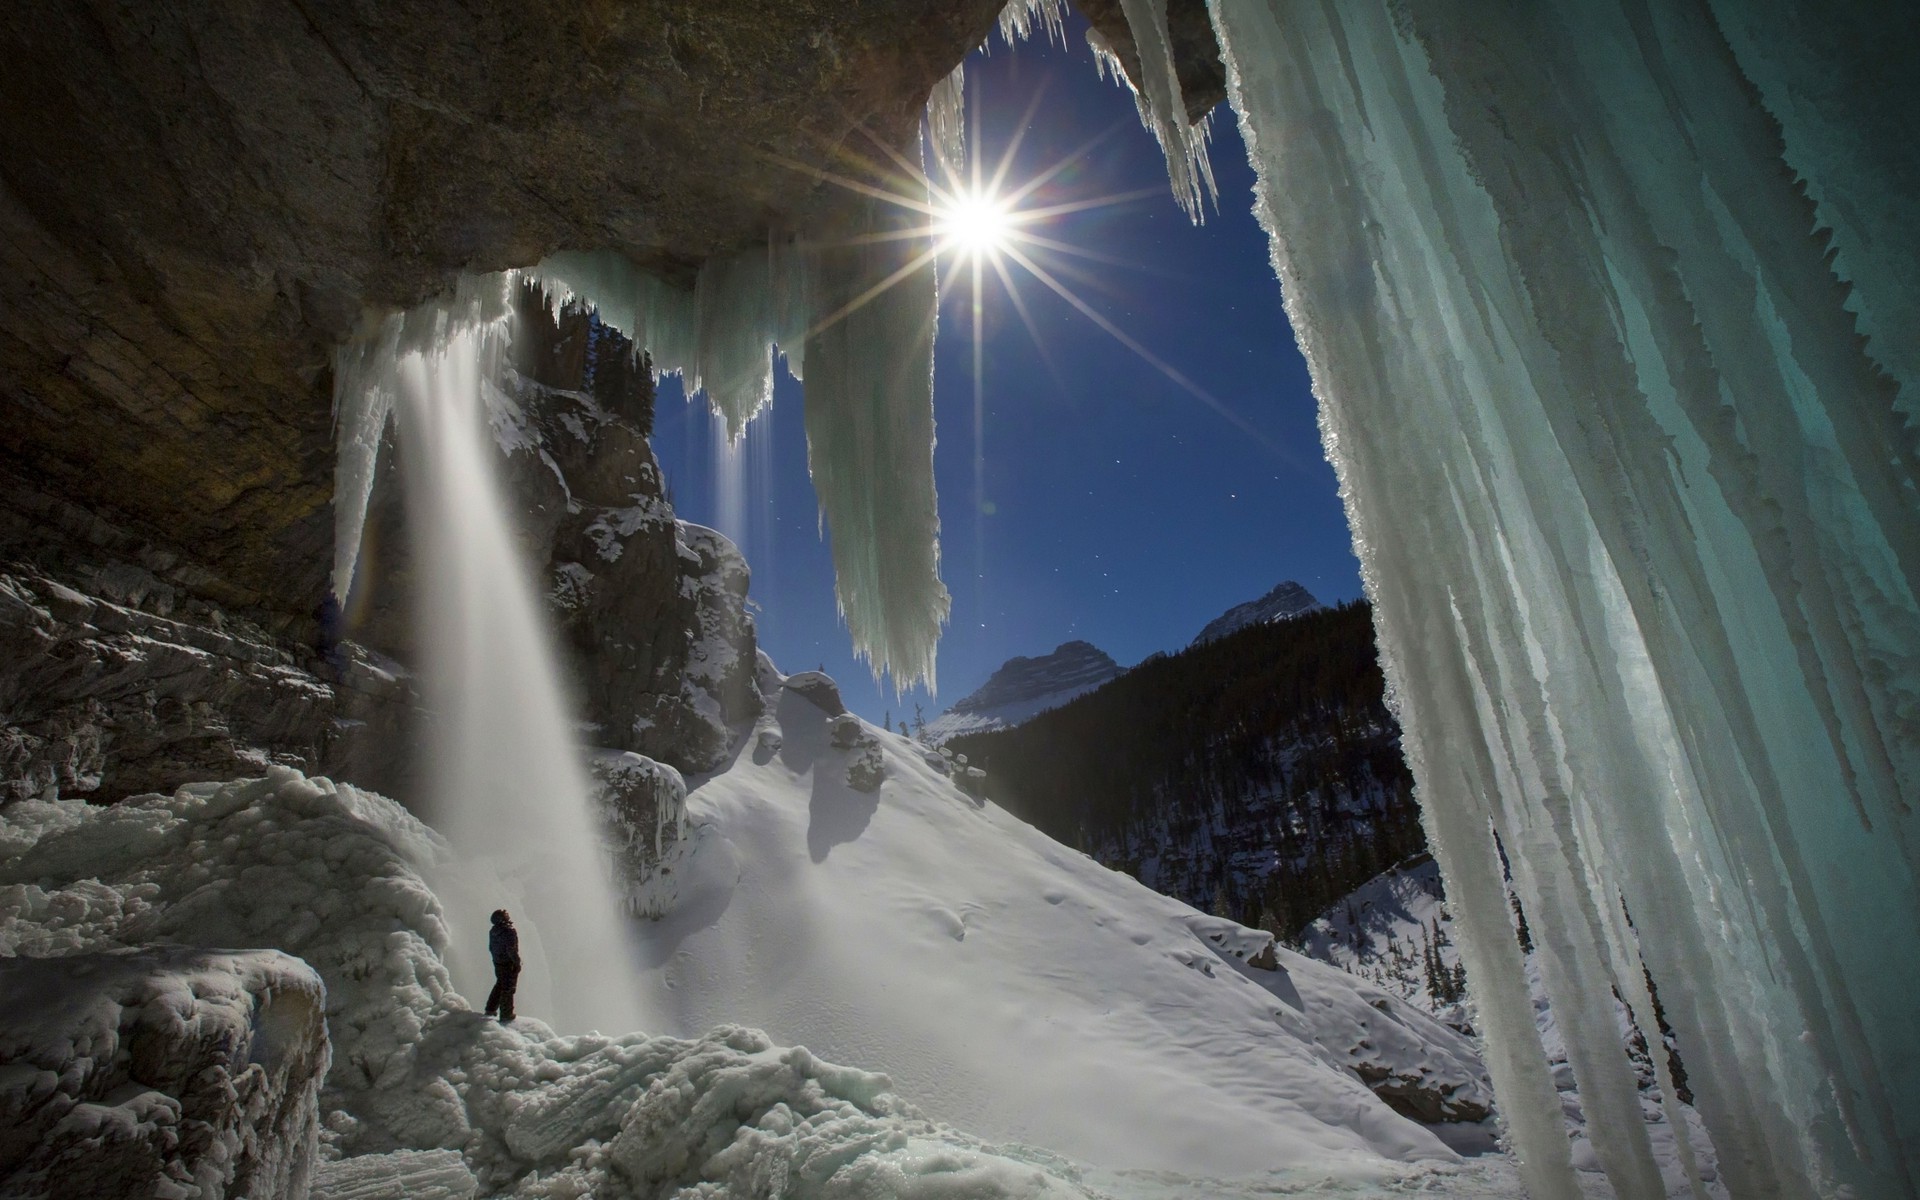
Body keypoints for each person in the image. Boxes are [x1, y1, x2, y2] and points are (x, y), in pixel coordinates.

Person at [484, 909, 520, 1023]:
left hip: (498, 962)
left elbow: (491, 947)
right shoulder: (509, 931)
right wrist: (517, 962)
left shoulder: (493, 931)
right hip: (508, 963)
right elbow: (511, 949)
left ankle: (490, 1008)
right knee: (508, 988)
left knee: (500, 984)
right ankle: (506, 1014)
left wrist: (497, 959)